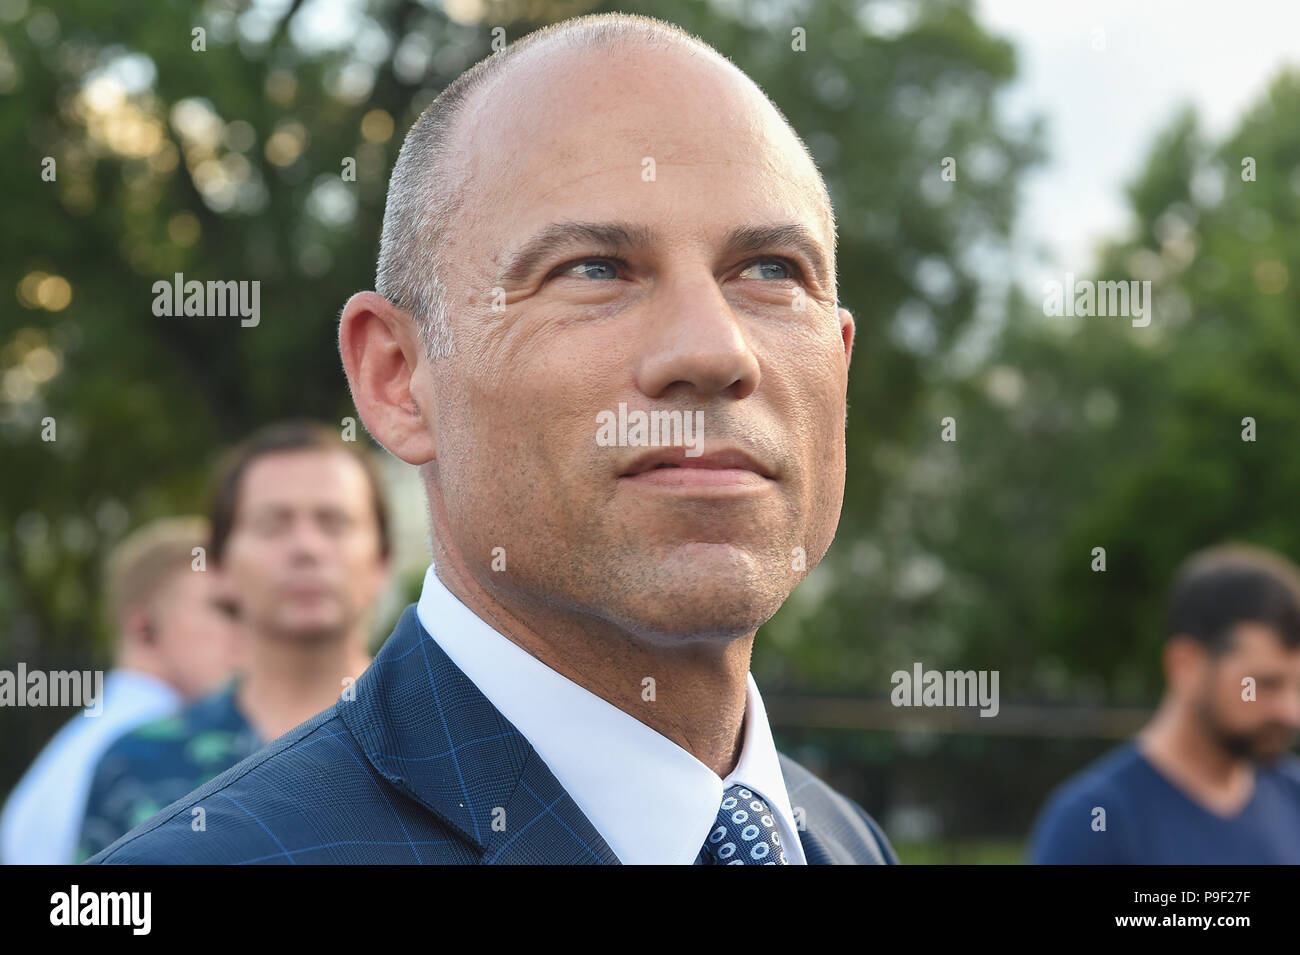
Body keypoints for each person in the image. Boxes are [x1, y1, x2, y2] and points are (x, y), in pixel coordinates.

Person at [89, 12, 895, 865]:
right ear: (398, 378)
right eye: (594, 268)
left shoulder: (841, 841)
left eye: (771, 270)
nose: (715, 348)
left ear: (841, 363)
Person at [77, 421, 390, 859]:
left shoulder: (454, 744)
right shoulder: (135, 766)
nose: (306, 547)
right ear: (220, 568)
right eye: (272, 525)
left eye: (333, 522)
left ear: (382, 561)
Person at [1030, 544, 1300, 863]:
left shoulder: (1292, 797)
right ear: (1186, 665)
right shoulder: (1093, 825)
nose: (1290, 712)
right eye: (1264, 684)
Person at [1, 516, 240, 864]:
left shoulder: (76, 750)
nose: (244, 633)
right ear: (143, 628)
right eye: (224, 610)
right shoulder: (154, 751)